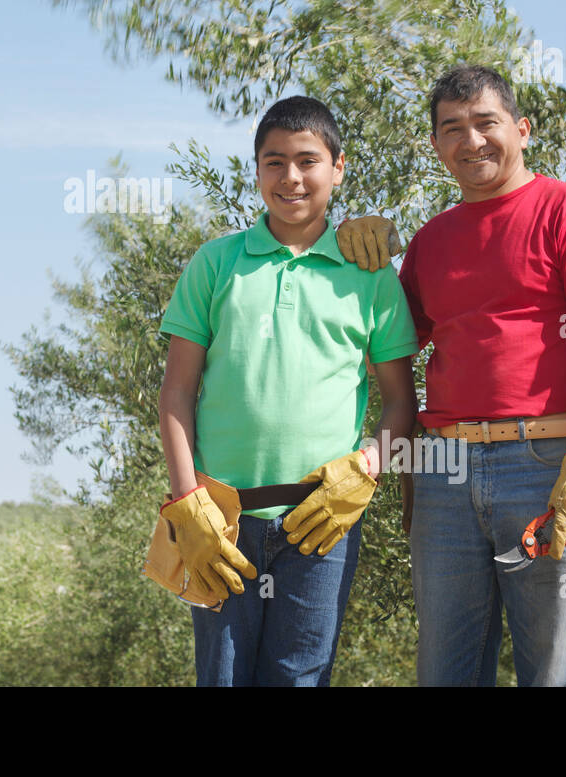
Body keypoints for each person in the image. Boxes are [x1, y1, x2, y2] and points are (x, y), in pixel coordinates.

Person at [342, 64, 566, 686]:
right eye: (453, 128)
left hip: (547, 464)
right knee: (445, 673)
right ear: (436, 145)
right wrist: (356, 261)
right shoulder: (431, 241)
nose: (471, 141)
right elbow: (383, 346)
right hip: (444, 471)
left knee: (554, 672)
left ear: (522, 130)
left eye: (486, 123)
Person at [155, 95, 418, 687]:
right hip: (219, 520)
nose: (291, 177)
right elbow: (175, 396)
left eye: (308, 161)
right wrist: (183, 504)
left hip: (321, 520)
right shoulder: (216, 264)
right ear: (255, 171)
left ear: (339, 167)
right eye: (274, 162)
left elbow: (403, 403)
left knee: (299, 680)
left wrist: (369, 468)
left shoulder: (371, 276)